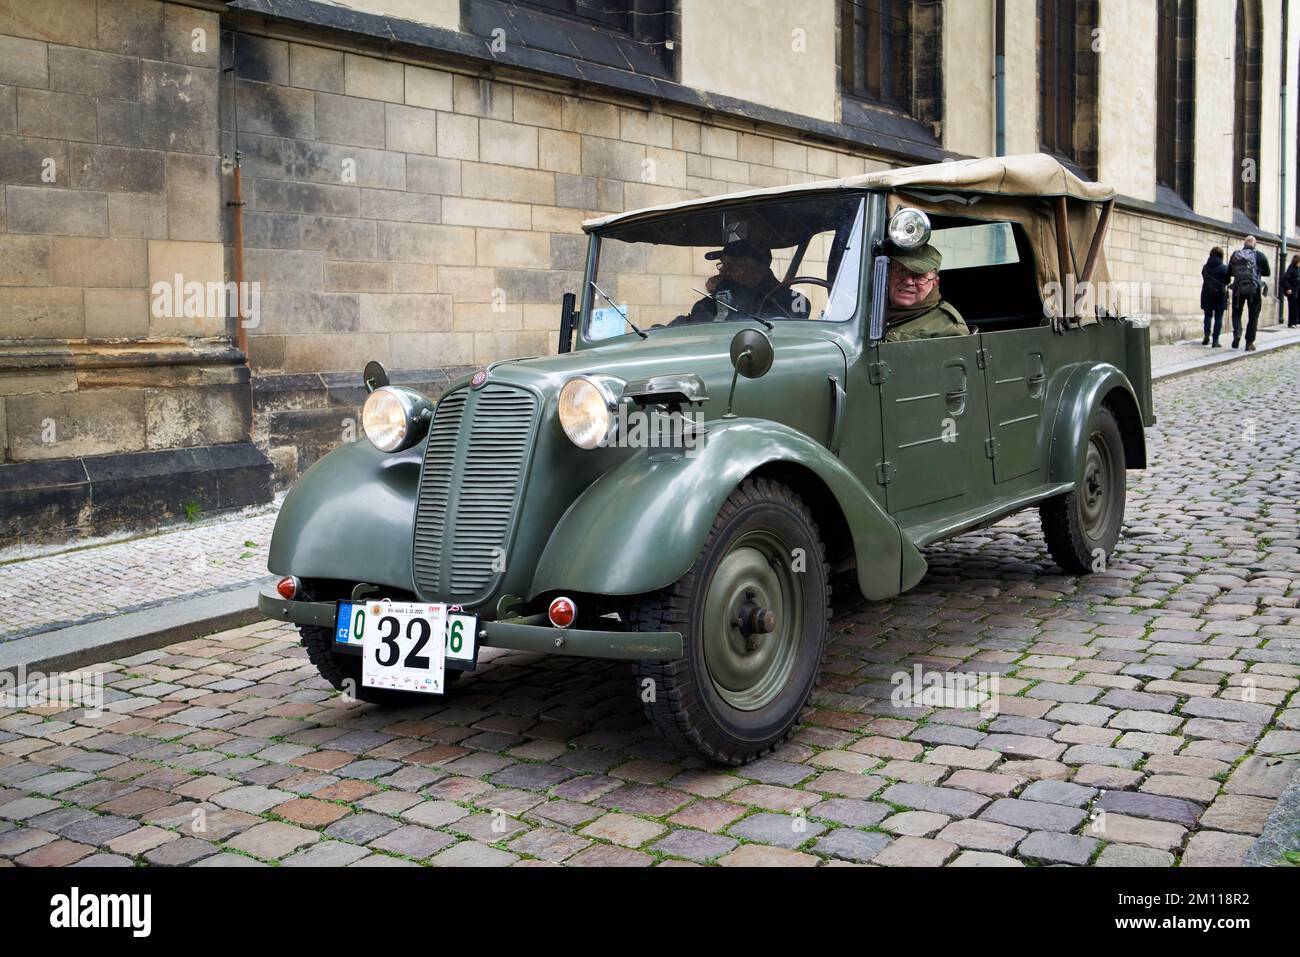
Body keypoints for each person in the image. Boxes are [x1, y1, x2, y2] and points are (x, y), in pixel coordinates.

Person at [672, 240, 808, 325]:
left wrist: (725, 287)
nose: (723, 272)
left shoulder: (794, 301)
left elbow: (740, 325)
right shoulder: (721, 297)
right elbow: (695, 319)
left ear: (759, 271)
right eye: (722, 265)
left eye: (732, 266)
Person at [883, 243, 969, 341]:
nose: (908, 281)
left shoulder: (947, 329)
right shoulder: (869, 312)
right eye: (900, 272)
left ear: (934, 283)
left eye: (919, 276)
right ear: (888, 275)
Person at [1226, 234, 1270, 351]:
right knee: (1253, 315)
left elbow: (1229, 272)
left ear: (1244, 244)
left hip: (1238, 289)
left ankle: (1237, 334)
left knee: (1236, 313)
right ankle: (1249, 343)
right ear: (1255, 245)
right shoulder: (1260, 256)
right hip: (1253, 289)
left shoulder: (1236, 255)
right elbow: (1267, 272)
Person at [1199, 246, 1228, 347]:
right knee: (1218, 317)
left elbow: (1204, 277)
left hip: (1207, 294)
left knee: (1207, 316)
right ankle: (1215, 341)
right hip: (1220, 295)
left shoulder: (1205, 268)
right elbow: (1228, 281)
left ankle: (1206, 335)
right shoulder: (1224, 268)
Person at [1282, 253, 1300, 328]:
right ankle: (1291, 322)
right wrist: (1288, 288)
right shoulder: (1292, 268)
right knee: (1292, 306)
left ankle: (1296, 321)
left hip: (1298, 290)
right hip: (1292, 290)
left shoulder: (1298, 268)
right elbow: (1285, 279)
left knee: (1297, 306)